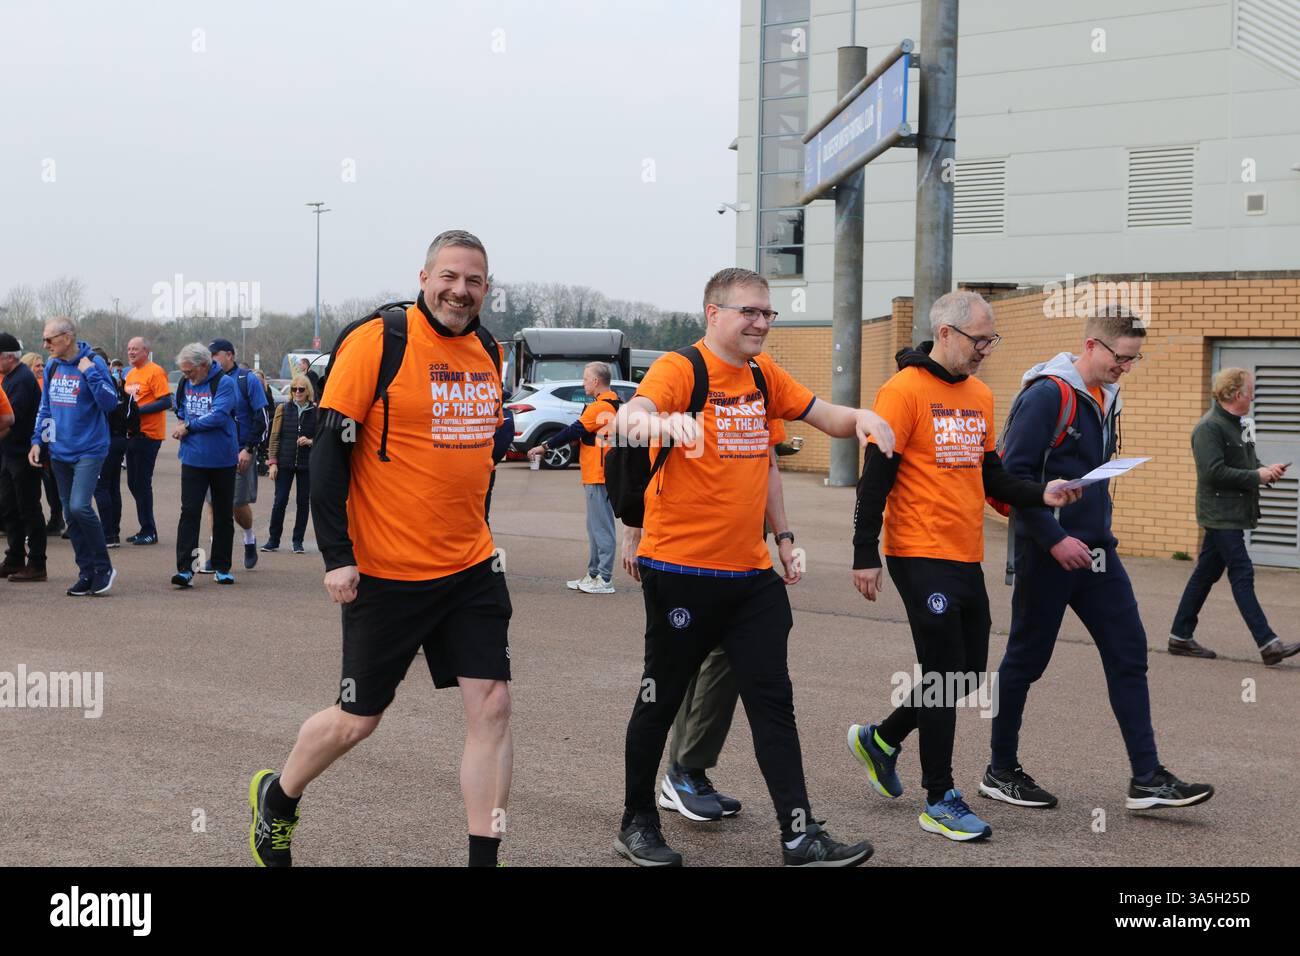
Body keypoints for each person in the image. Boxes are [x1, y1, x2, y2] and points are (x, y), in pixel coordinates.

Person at [610, 266, 892, 867]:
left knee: (773, 703)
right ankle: (636, 821)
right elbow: (626, 420)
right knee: (659, 699)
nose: (761, 322)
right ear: (714, 314)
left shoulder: (764, 376)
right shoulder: (681, 369)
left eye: (768, 313)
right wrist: (665, 422)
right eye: (749, 312)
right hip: (680, 570)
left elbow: (809, 427)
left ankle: (799, 835)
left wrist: (862, 421)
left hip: (750, 577)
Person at [248, 230, 513, 868]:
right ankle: (279, 799)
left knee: (495, 706)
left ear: (486, 289)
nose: (461, 290)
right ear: (423, 278)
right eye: (449, 277)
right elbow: (332, 456)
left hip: (471, 567)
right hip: (387, 571)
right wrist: (336, 555)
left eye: (475, 280)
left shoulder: (486, 347)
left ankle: (485, 860)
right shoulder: (379, 340)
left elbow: (480, 453)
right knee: (357, 719)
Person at [847, 291, 1081, 843]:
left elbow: (991, 475)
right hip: (916, 552)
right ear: (946, 333)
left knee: (967, 674)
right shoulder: (901, 392)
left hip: (963, 553)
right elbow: (874, 479)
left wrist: (1040, 494)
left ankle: (881, 740)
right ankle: (939, 798)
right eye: (980, 340)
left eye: (991, 340)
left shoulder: (979, 394)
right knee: (946, 669)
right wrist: (864, 553)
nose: (986, 351)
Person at [983, 306, 1215, 813]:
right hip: (1050, 553)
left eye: (1133, 360)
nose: (1125, 368)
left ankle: (1147, 779)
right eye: (1121, 358)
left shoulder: (1108, 396)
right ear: (1091, 346)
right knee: (1026, 660)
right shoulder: (1046, 395)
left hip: (1097, 552)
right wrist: (1052, 540)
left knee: (1129, 651)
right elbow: (1011, 478)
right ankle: (1000, 771)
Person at [641, 422, 798, 822]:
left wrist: (784, 536)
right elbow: (649, 458)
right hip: (688, 556)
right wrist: (632, 529)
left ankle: (685, 772)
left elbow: (768, 462)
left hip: (743, 555)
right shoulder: (685, 378)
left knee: (715, 660)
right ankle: (683, 773)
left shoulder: (759, 384)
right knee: (707, 663)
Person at [1169, 368, 1299, 666]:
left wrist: (1269, 471)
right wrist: (1257, 476)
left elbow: (1251, 462)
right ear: (1236, 394)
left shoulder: (1244, 424)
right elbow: (1212, 472)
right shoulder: (1208, 428)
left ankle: (1179, 636)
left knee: (1206, 573)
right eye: (1250, 391)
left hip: (1234, 513)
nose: (1253, 396)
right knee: (1242, 572)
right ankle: (1268, 643)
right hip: (1219, 514)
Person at [27, 317, 119, 596]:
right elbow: (46, 408)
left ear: (67, 338)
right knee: (69, 513)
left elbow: (110, 403)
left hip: (90, 449)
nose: (45, 345)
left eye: (49, 340)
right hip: (59, 450)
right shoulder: (53, 366)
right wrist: (37, 442)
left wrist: (90, 372)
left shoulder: (94, 363)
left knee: (80, 506)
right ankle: (86, 571)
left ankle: (104, 567)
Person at [527, 361, 620, 593]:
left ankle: (605, 579)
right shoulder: (602, 404)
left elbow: (575, 430)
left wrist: (545, 446)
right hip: (594, 474)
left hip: (600, 475)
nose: (583, 382)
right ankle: (594, 574)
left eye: (586, 378)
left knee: (602, 528)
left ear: (596, 381)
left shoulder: (602, 407)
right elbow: (579, 433)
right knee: (594, 528)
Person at [170, 343, 239, 587]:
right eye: (184, 373)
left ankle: (222, 567)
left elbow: (219, 416)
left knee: (222, 513)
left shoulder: (225, 383)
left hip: (222, 459)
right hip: (192, 459)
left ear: (204, 365)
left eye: (190, 372)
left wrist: (188, 427)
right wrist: (182, 423)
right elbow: (180, 409)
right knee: (189, 512)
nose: (187, 377)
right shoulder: (184, 383)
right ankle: (185, 569)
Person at [204, 339, 269, 570]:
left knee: (236, 505)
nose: (211, 358)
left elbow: (262, 417)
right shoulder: (208, 380)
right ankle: (216, 554)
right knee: (212, 504)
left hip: (240, 450)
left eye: (215, 354)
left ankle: (249, 537)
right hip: (214, 452)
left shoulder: (247, 379)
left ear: (229, 355)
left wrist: (249, 448)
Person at [0, 335, 48, 582]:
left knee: (28, 508)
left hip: (25, 454)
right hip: (9, 453)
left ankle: (37, 563)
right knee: (9, 507)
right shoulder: (9, 376)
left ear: (9, 357)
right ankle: (15, 557)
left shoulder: (21, 379)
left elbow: (12, 419)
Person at [123, 336, 172, 545]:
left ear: (146, 351)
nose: (131, 352)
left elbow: (166, 401)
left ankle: (149, 530)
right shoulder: (130, 374)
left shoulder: (155, 371)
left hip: (149, 434)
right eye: (129, 349)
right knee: (133, 482)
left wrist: (137, 411)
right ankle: (145, 527)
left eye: (135, 349)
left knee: (142, 482)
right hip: (132, 434)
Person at [262, 374, 316, 554]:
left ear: (307, 391)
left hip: (306, 464)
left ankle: (297, 541)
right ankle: (273, 540)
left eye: (301, 389)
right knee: (280, 501)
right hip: (284, 463)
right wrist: (272, 463)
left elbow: (322, 438)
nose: (298, 392)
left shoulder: (316, 411)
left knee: (303, 502)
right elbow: (274, 437)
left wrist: (309, 441)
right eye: (294, 389)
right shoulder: (283, 409)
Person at [91, 348, 131, 548]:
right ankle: (113, 532)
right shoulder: (117, 382)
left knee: (101, 487)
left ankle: (108, 534)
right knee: (113, 486)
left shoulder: (100, 383)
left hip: (107, 439)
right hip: (119, 438)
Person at [22, 352, 64, 535]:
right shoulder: (26, 383)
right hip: (30, 439)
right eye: (37, 366)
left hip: (44, 439)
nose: (41, 369)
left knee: (51, 482)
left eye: (42, 365)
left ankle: (57, 518)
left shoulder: (44, 383)